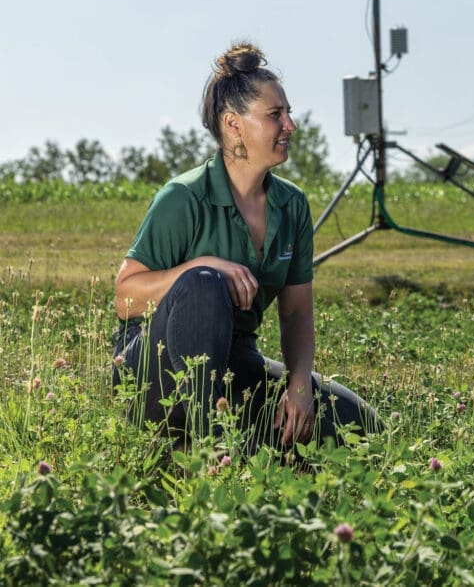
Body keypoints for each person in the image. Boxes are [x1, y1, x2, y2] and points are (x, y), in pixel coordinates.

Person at [112, 42, 378, 452]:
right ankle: (212, 451)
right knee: (202, 282)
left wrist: (300, 383)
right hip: (152, 372)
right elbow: (125, 297)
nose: (290, 125)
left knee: (359, 424)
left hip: (236, 364)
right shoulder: (182, 197)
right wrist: (200, 265)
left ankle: (244, 440)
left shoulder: (292, 205)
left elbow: (296, 312)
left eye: (288, 113)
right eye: (275, 115)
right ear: (233, 124)